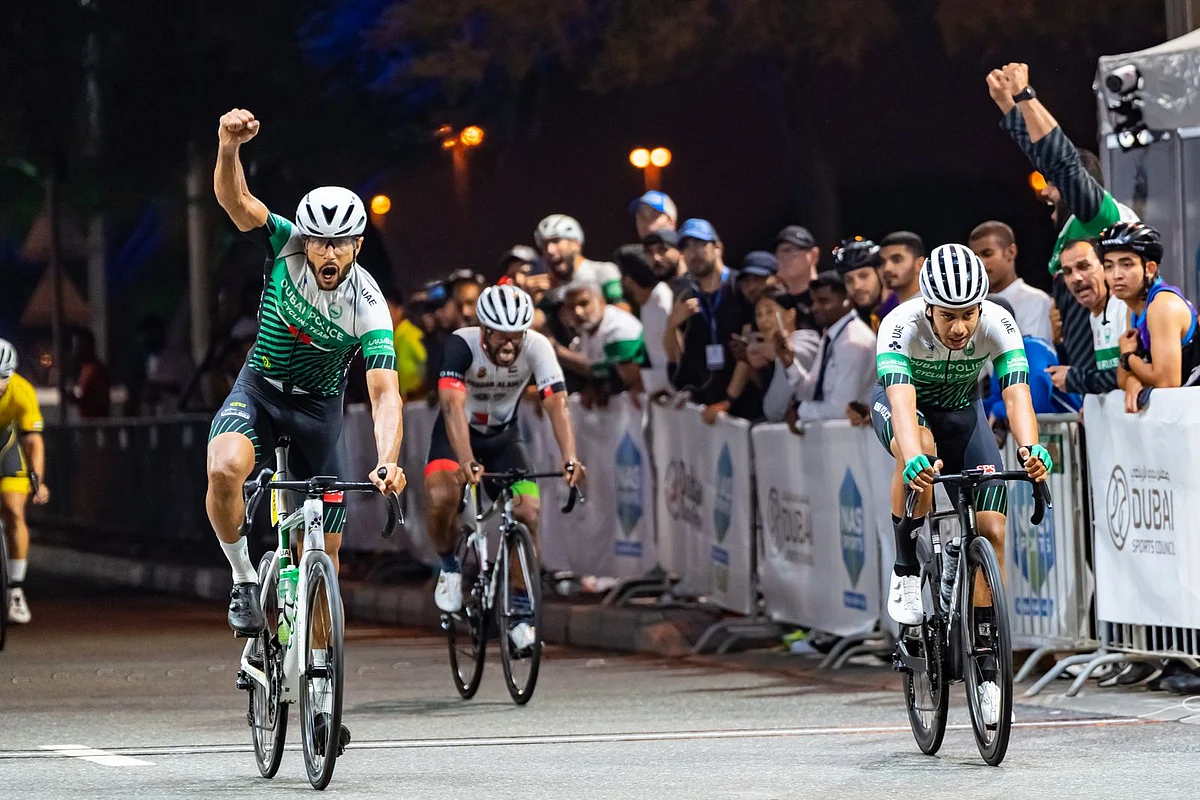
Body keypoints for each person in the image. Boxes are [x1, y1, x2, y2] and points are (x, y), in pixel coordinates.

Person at [207, 108, 406, 698]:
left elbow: (384, 392)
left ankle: (319, 680)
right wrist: (226, 147)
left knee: (325, 553)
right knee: (224, 468)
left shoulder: (369, 305)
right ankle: (245, 578)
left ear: (357, 246)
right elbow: (235, 201)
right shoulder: (286, 243)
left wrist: (389, 458)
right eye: (319, 239)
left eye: (341, 244)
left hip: (321, 416)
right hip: (260, 393)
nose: (327, 253)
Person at [872, 244, 1052, 726]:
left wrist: (1031, 449)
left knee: (992, 531)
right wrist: (912, 459)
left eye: (968, 315)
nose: (959, 328)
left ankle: (988, 668)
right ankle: (907, 568)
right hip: (908, 410)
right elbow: (905, 409)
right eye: (948, 316)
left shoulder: (999, 321)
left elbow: (1016, 396)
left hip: (964, 414)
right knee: (922, 453)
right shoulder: (899, 325)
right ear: (928, 305)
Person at [424, 285, 585, 652]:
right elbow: (451, 406)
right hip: (456, 435)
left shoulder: (537, 346)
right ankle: (449, 566)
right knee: (442, 495)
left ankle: (522, 617)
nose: (510, 344)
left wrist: (570, 457)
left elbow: (557, 403)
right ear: (484, 329)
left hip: (503, 440)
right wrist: (465, 460)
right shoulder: (461, 345)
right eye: (501, 335)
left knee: (528, 513)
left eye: (517, 334)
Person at [988, 62, 1139, 395]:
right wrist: (1006, 106)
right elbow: (1047, 159)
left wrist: (1024, 97)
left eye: (1053, 185)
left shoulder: (1100, 218)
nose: (1044, 190)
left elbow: (1062, 163)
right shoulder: (1075, 230)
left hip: (1114, 382)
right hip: (1092, 382)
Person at [1099, 222, 1200, 412]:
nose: (1116, 275)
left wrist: (1128, 356)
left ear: (1150, 268)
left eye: (1126, 264)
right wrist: (1133, 379)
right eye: (1108, 266)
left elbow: (1167, 381)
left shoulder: (1162, 305)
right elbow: (1122, 378)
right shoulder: (1134, 309)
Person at [667, 219, 753, 407]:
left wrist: (728, 400)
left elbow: (751, 348)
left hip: (744, 401)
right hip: (706, 403)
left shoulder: (741, 286)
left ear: (718, 248)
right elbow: (674, 356)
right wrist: (672, 325)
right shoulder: (687, 297)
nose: (693, 253)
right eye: (687, 248)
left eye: (699, 244)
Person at [0, 340, 49, 624]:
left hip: (5, 452)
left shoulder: (22, 390)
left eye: (3, 377)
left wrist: (36, 482)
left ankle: (16, 591)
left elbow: (33, 442)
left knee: (14, 511)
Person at [789, 272, 876, 423]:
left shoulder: (854, 342)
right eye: (813, 301)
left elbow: (842, 409)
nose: (814, 308)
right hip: (838, 440)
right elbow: (810, 391)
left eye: (823, 301)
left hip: (858, 442)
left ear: (847, 300)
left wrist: (800, 411)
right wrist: (789, 363)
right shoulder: (831, 336)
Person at [1045, 239, 1126, 396]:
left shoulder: (1125, 309)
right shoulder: (1094, 317)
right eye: (1068, 272)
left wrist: (1074, 379)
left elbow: (1127, 376)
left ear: (1105, 268)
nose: (1076, 278)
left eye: (1084, 267)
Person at [982, 295, 1079, 420]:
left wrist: (998, 410)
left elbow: (1036, 404)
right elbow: (996, 399)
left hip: (1076, 430)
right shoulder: (1001, 358)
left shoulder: (1032, 349)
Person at [968, 221, 1053, 342]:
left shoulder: (1036, 301)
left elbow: (1035, 355)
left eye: (987, 254)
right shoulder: (972, 305)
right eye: (975, 257)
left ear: (1011, 252)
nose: (981, 263)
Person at [565, 281, 648, 401]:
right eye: (571, 307)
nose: (578, 312)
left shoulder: (619, 329)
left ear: (601, 302)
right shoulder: (588, 329)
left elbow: (633, 382)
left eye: (584, 303)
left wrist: (603, 389)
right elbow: (595, 371)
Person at [615, 244, 674, 395]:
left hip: (677, 389)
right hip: (662, 389)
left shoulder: (662, 299)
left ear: (628, 279)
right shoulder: (646, 304)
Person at [534, 214, 624, 303]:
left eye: (556, 241)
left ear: (575, 244)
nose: (550, 250)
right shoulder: (549, 287)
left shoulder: (604, 271)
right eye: (544, 244)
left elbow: (622, 311)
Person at [834, 238, 886, 330]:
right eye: (849, 280)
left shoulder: (902, 312)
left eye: (863, 276)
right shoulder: (859, 319)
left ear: (880, 274)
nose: (857, 286)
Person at [385, 289, 427, 399]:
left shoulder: (410, 335)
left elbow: (428, 363)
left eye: (387, 309)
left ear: (399, 310)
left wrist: (415, 393)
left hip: (421, 405)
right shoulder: (390, 338)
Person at [876, 231, 924, 317]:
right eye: (882, 262)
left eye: (897, 259)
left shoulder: (933, 309)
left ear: (919, 264)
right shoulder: (886, 308)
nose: (887, 268)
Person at [774, 225, 821, 310]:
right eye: (777, 252)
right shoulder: (774, 305)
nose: (782, 258)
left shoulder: (829, 297)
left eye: (788, 250)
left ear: (814, 255)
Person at [70, 329, 111, 418]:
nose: (75, 350)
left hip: (96, 426)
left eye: (78, 346)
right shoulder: (84, 369)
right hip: (86, 424)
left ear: (87, 346)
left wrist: (78, 401)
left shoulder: (97, 370)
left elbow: (99, 401)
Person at [642, 228, 689, 296]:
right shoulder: (648, 292)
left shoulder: (697, 286)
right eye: (649, 252)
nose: (656, 258)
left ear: (680, 251)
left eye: (662, 250)